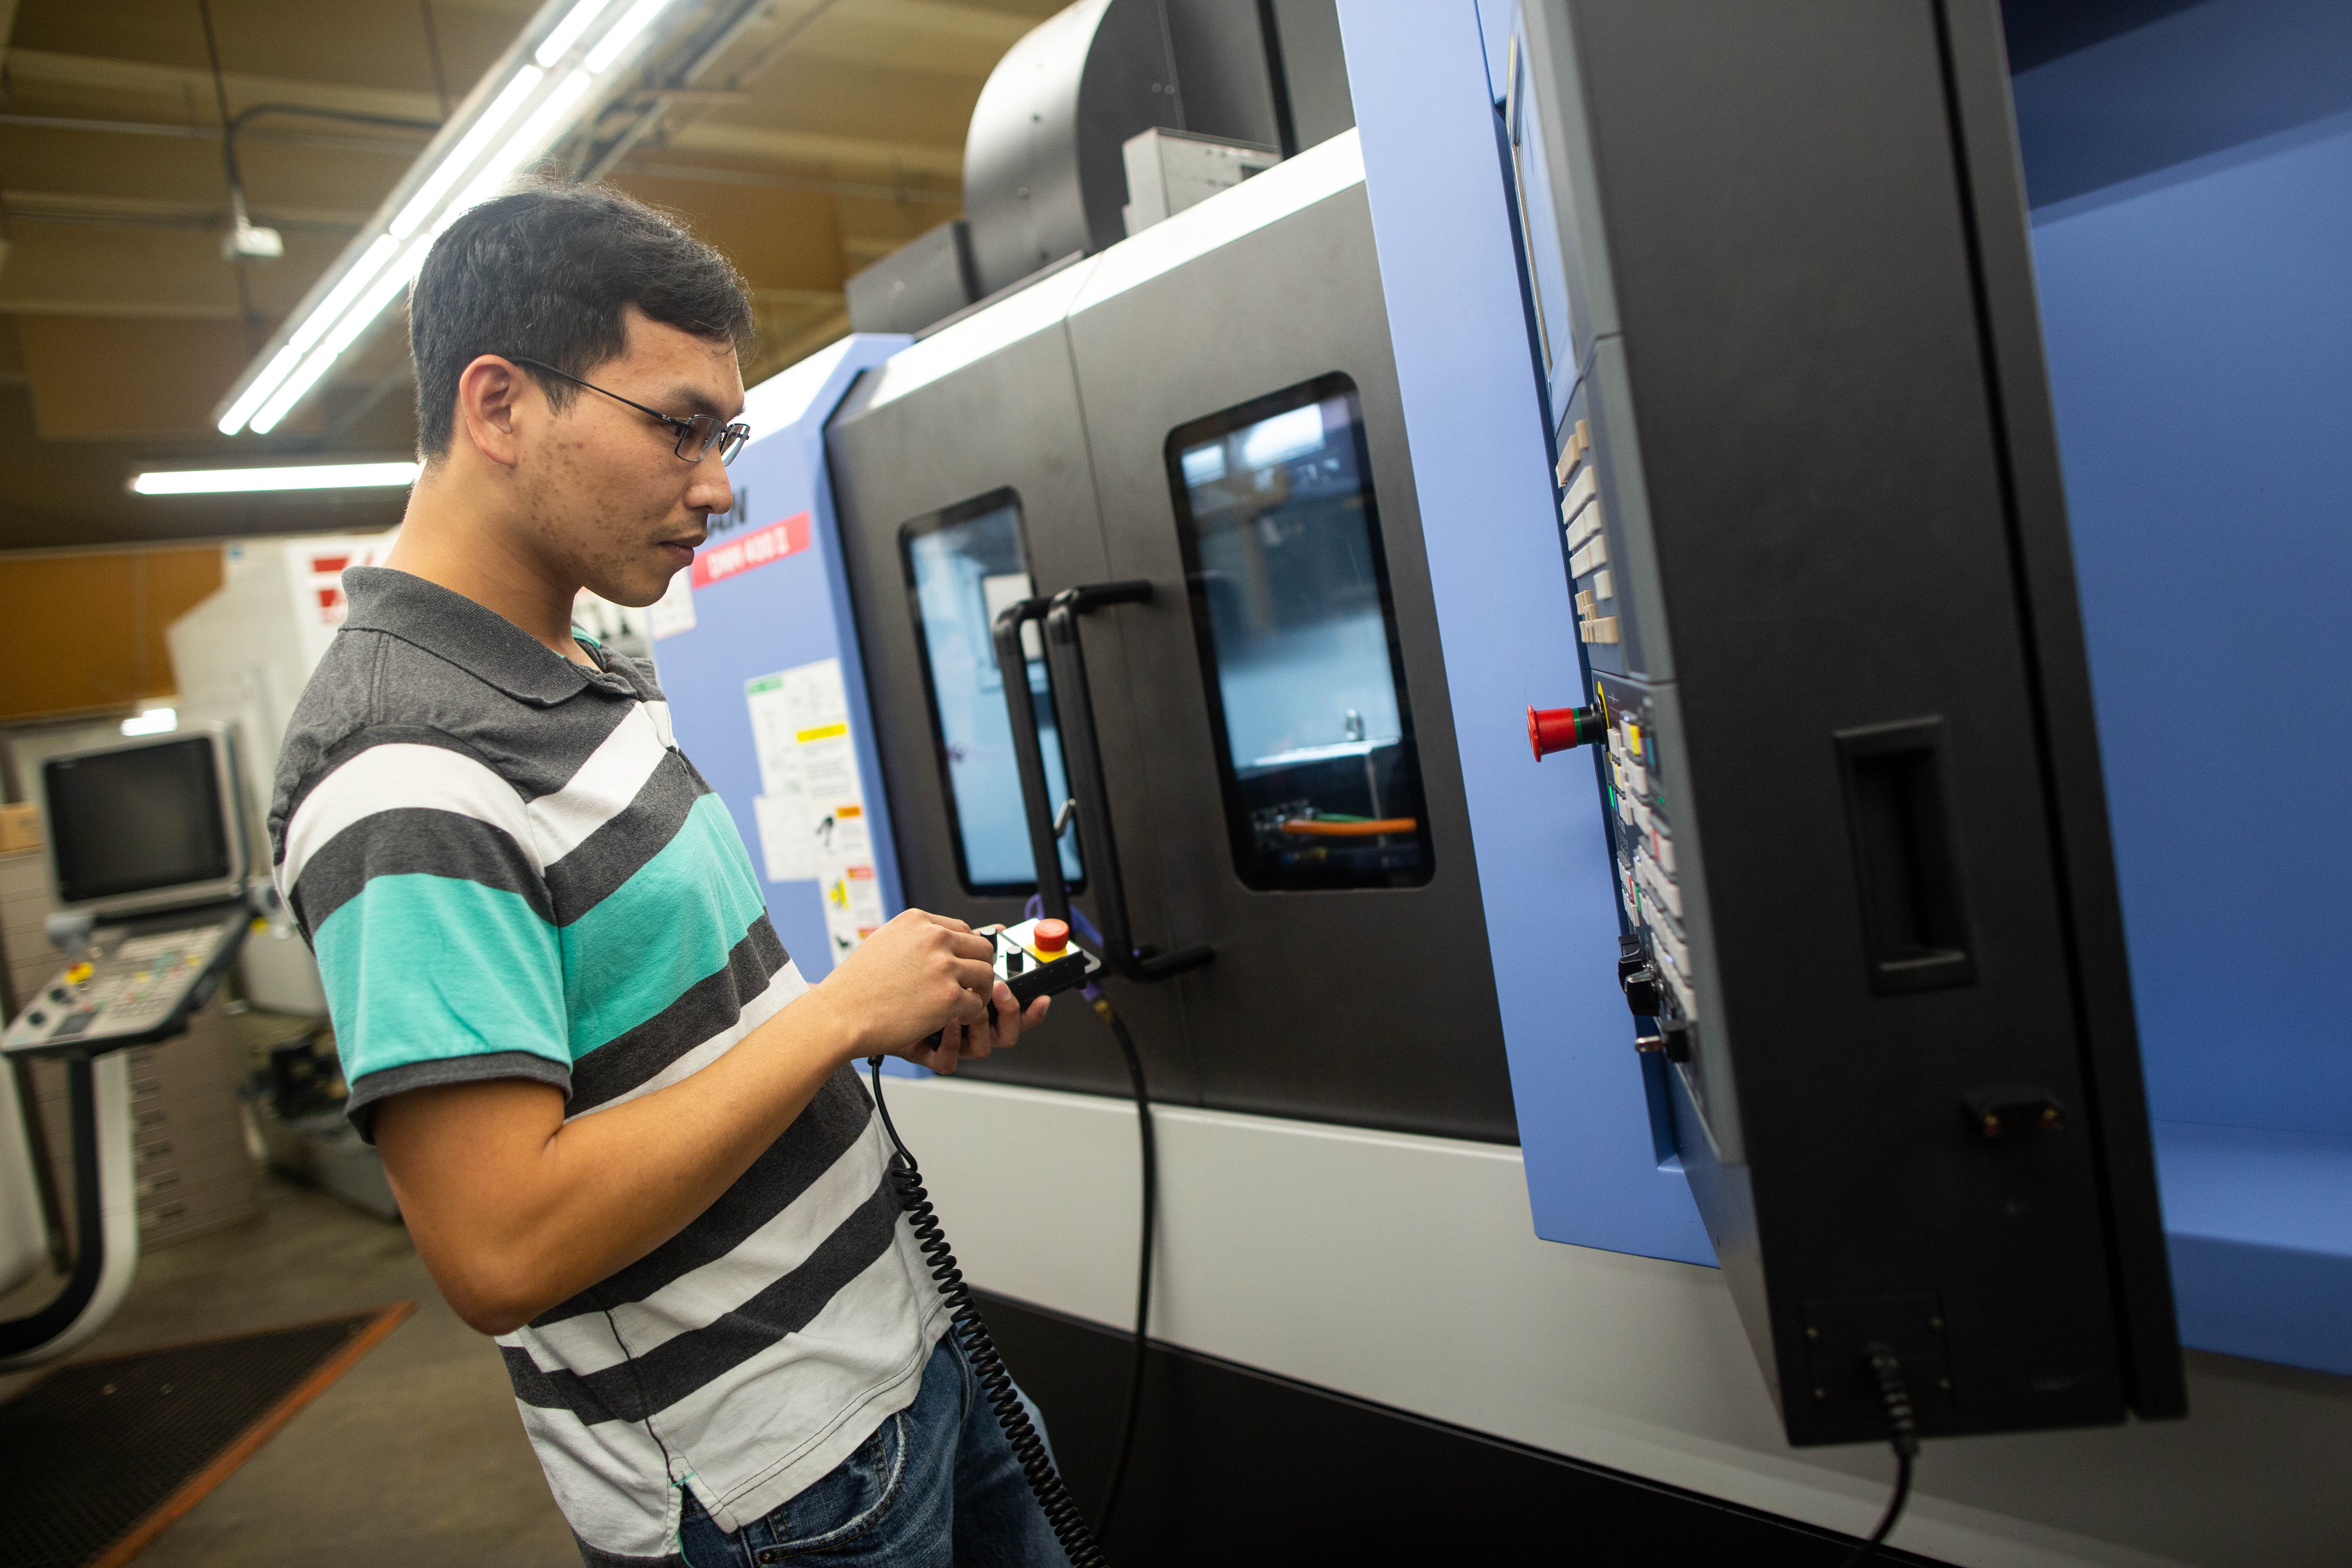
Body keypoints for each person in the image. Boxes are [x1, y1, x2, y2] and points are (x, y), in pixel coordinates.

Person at [267, 183, 1064, 1568]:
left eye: (727, 433)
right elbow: (502, 1245)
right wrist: (835, 1018)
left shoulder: (587, 667)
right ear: (499, 405)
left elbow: (673, 1039)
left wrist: (884, 1017)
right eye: (677, 429)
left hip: (909, 1353)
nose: (716, 482)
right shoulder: (396, 769)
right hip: (779, 1482)